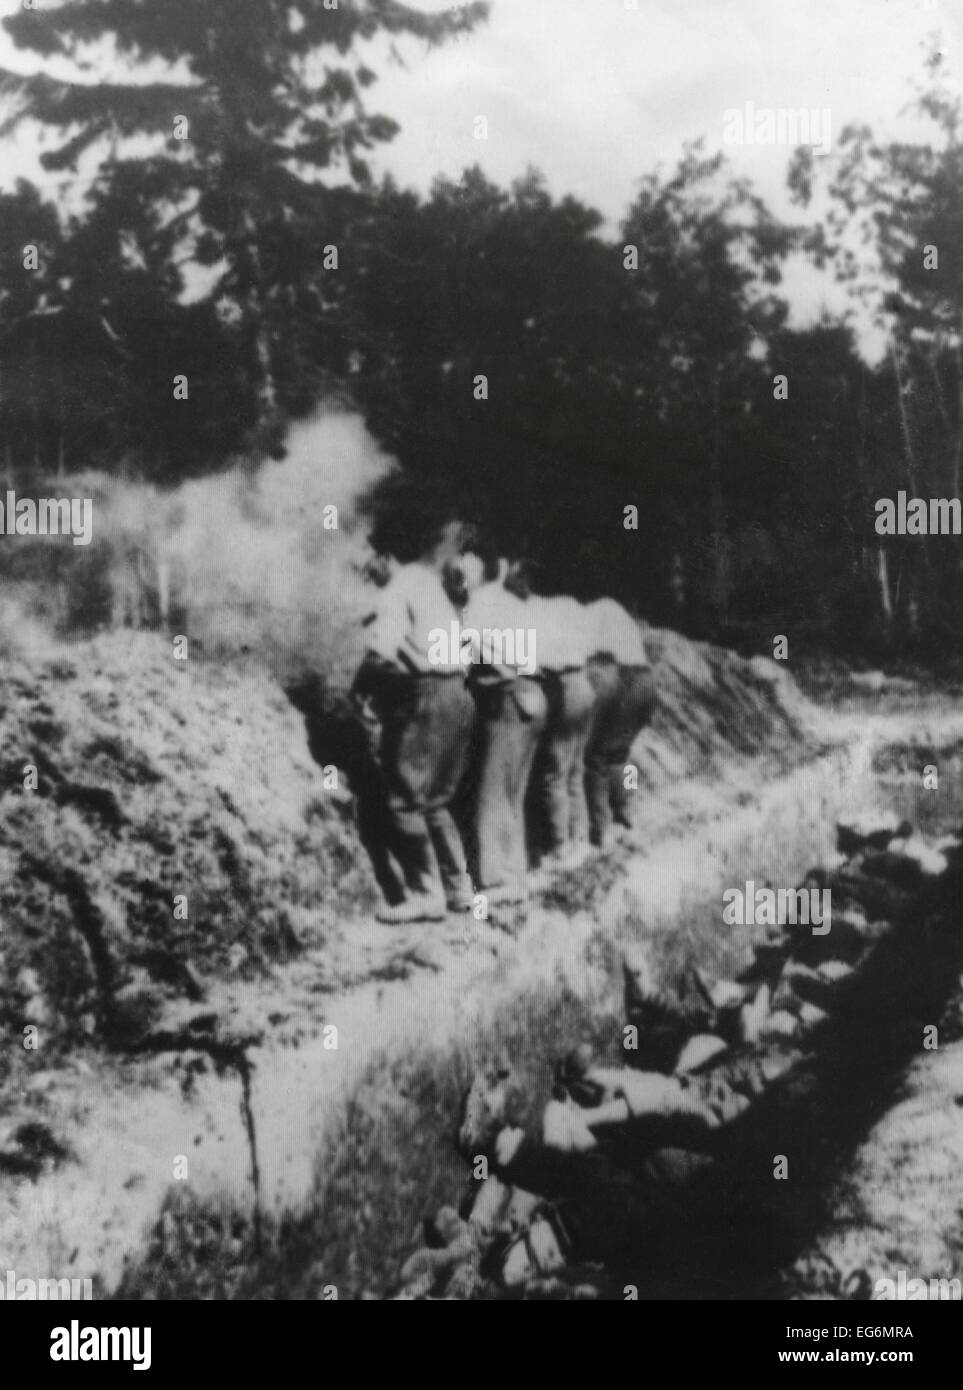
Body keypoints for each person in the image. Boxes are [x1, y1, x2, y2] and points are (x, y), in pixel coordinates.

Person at [351, 551, 475, 923]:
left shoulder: (395, 590)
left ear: (384, 554)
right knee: (435, 801)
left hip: (428, 696)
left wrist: (357, 691)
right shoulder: (426, 582)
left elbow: (379, 654)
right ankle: (459, 890)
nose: (366, 573)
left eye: (368, 562)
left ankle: (425, 894)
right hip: (459, 692)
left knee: (403, 800)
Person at [460, 555, 547, 906]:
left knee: (493, 790)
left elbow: (464, 650)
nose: (463, 581)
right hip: (533, 693)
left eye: (465, 575)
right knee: (514, 791)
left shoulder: (480, 602)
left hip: (508, 695)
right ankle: (515, 871)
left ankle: (495, 880)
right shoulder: (513, 603)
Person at [521, 573, 596, 870]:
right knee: (575, 768)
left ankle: (559, 847)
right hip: (583, 684)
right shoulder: (574, 607)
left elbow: (533, 656)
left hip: (561, 686)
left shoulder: (536, 609)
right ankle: (581, 839)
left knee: (554, 771)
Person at [583, 597, 656, 850]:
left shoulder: (592, 611)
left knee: (596, 757)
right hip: (647, 681)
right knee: (623, 753)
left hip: (624, 680)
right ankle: (627, 809)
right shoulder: (618, 611)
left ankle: (600, 827)